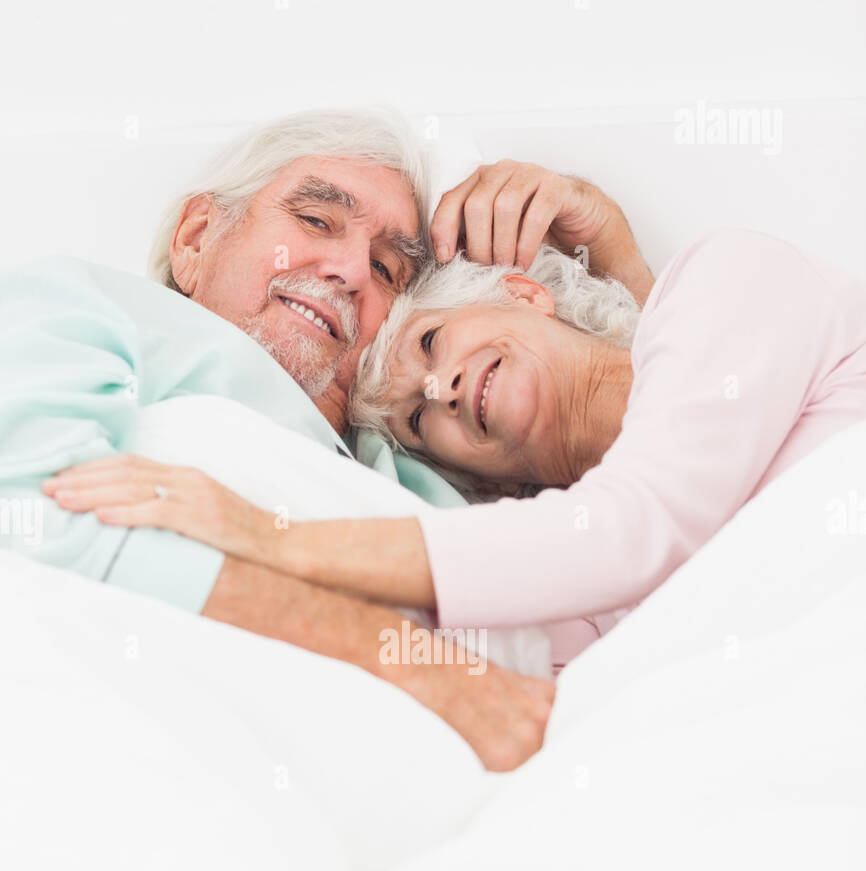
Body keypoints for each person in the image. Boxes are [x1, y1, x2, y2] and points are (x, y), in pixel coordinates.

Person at [2, 110, 651, 766]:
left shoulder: (431, 444)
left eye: (389, 268)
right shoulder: (83, 307)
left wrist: (617, 257)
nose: (350, 270)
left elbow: (674, 496)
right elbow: (27, 511)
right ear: (196, 238)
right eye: (315, 221)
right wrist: (419, 668)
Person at [61, 226, 866, 677]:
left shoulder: (728, 278)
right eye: (417, 420)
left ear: (520, 294)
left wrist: (274, 537)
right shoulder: (568, 597)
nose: (440, 389)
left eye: (433, 342)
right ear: (479, 479)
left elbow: (640, 523)